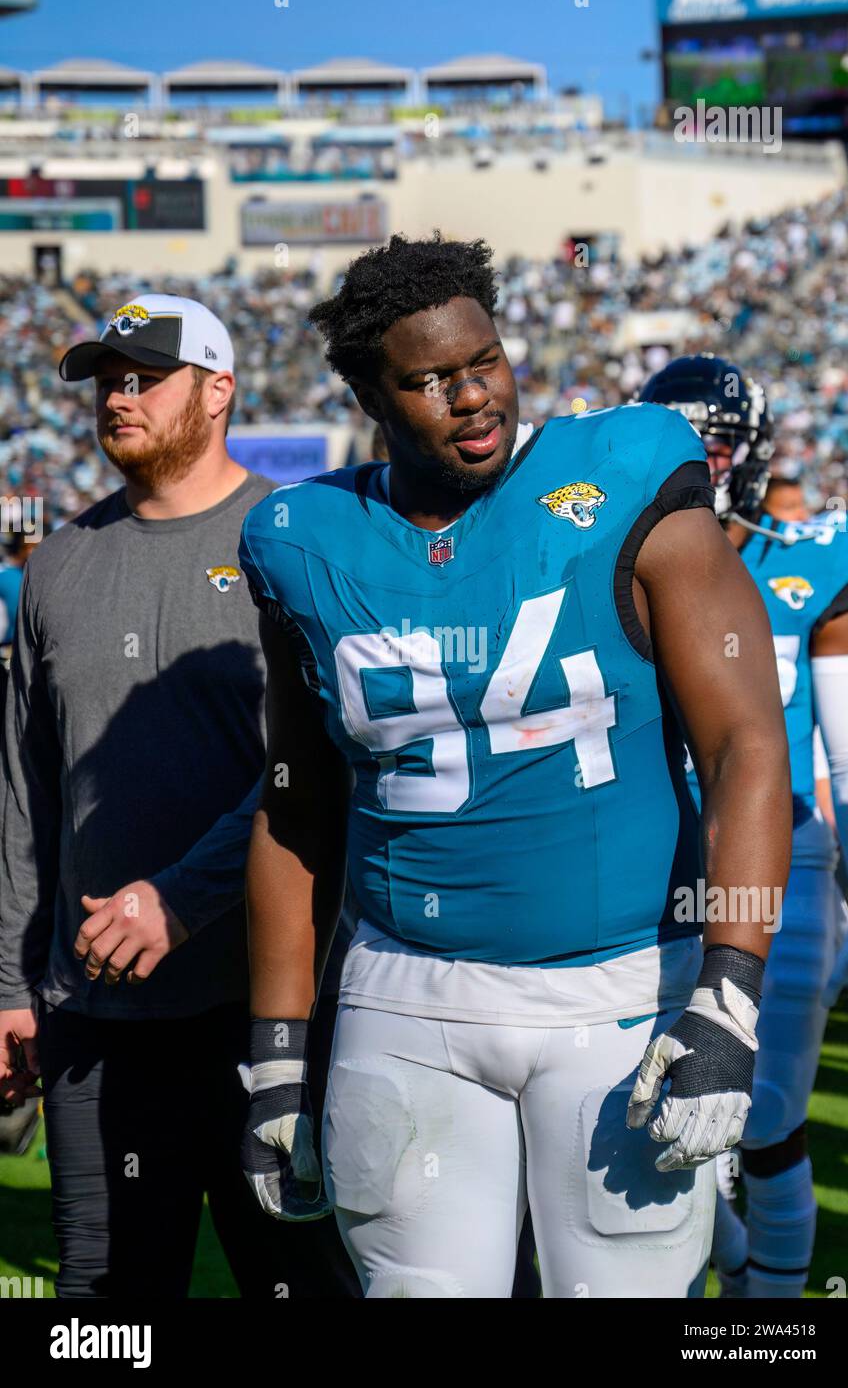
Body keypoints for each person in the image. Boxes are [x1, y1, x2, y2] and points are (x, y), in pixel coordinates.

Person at [236, 232, 790, 1299]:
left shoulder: (621, 476)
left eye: (481, 360)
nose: (472, 395)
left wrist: (728, 992)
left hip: (621, 984)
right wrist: (274, 1048)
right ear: (364, 392)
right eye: (429, 380)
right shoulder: (302, 539)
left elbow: (742, 745)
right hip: (405, 995)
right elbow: (296, 804)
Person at [0, 293, 356, 1298]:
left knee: (301, 1283)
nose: (118, 396)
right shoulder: (59, 559)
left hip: (268, 1008)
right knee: (104, 1301)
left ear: (218, 391)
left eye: (144, 376)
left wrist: (182, 895)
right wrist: (9, 987)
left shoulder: (291, 543)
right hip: (95, 1020)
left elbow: (315, 765)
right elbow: (27, 792)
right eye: (107, 378)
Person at [639, 353, 848, 1297]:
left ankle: (765, 1326)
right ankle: (726, 1264)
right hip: (655, 858)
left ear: (755, 450)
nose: (699, 460)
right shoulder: (616, 560)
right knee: (650, 1114)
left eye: (715, 441)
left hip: (788, 856)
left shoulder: (814, 563)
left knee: (763, 1109)